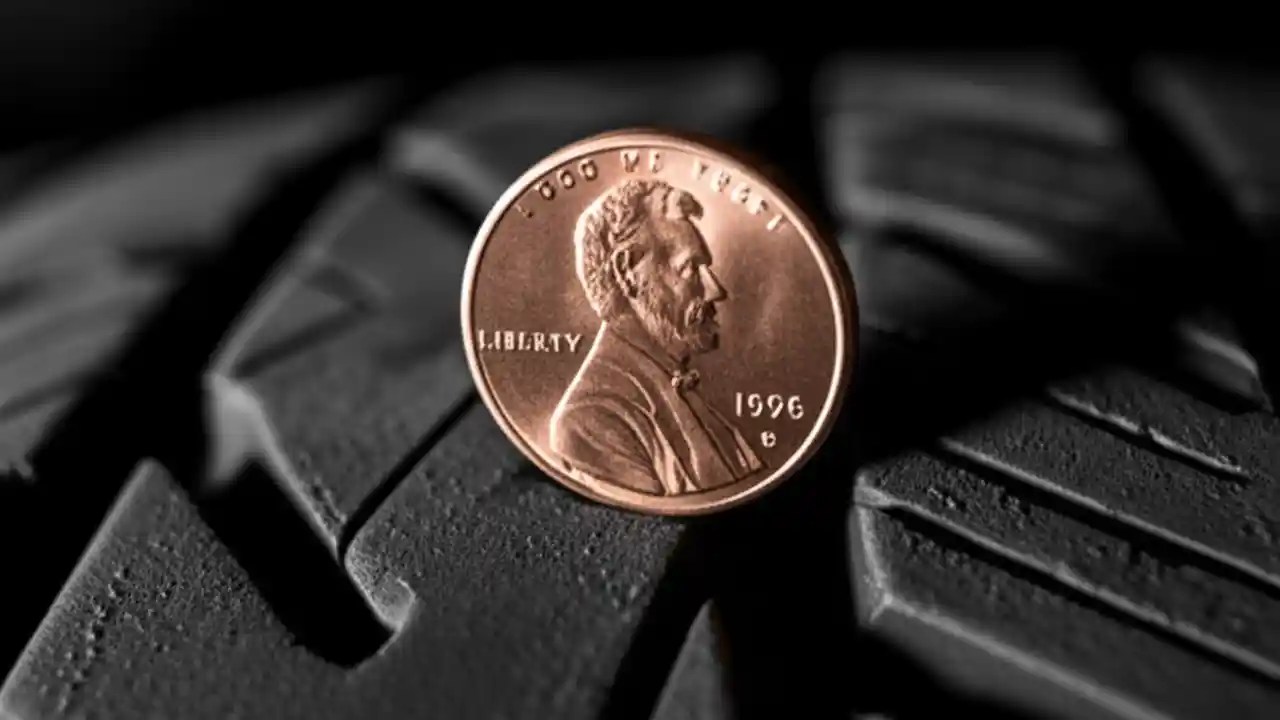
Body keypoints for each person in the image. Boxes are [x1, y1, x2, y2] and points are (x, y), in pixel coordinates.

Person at [549, 178, 764, 496]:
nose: (715, 290)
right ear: (627, 273)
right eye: (690, 269)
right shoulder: (591, 421)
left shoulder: (683, 389)